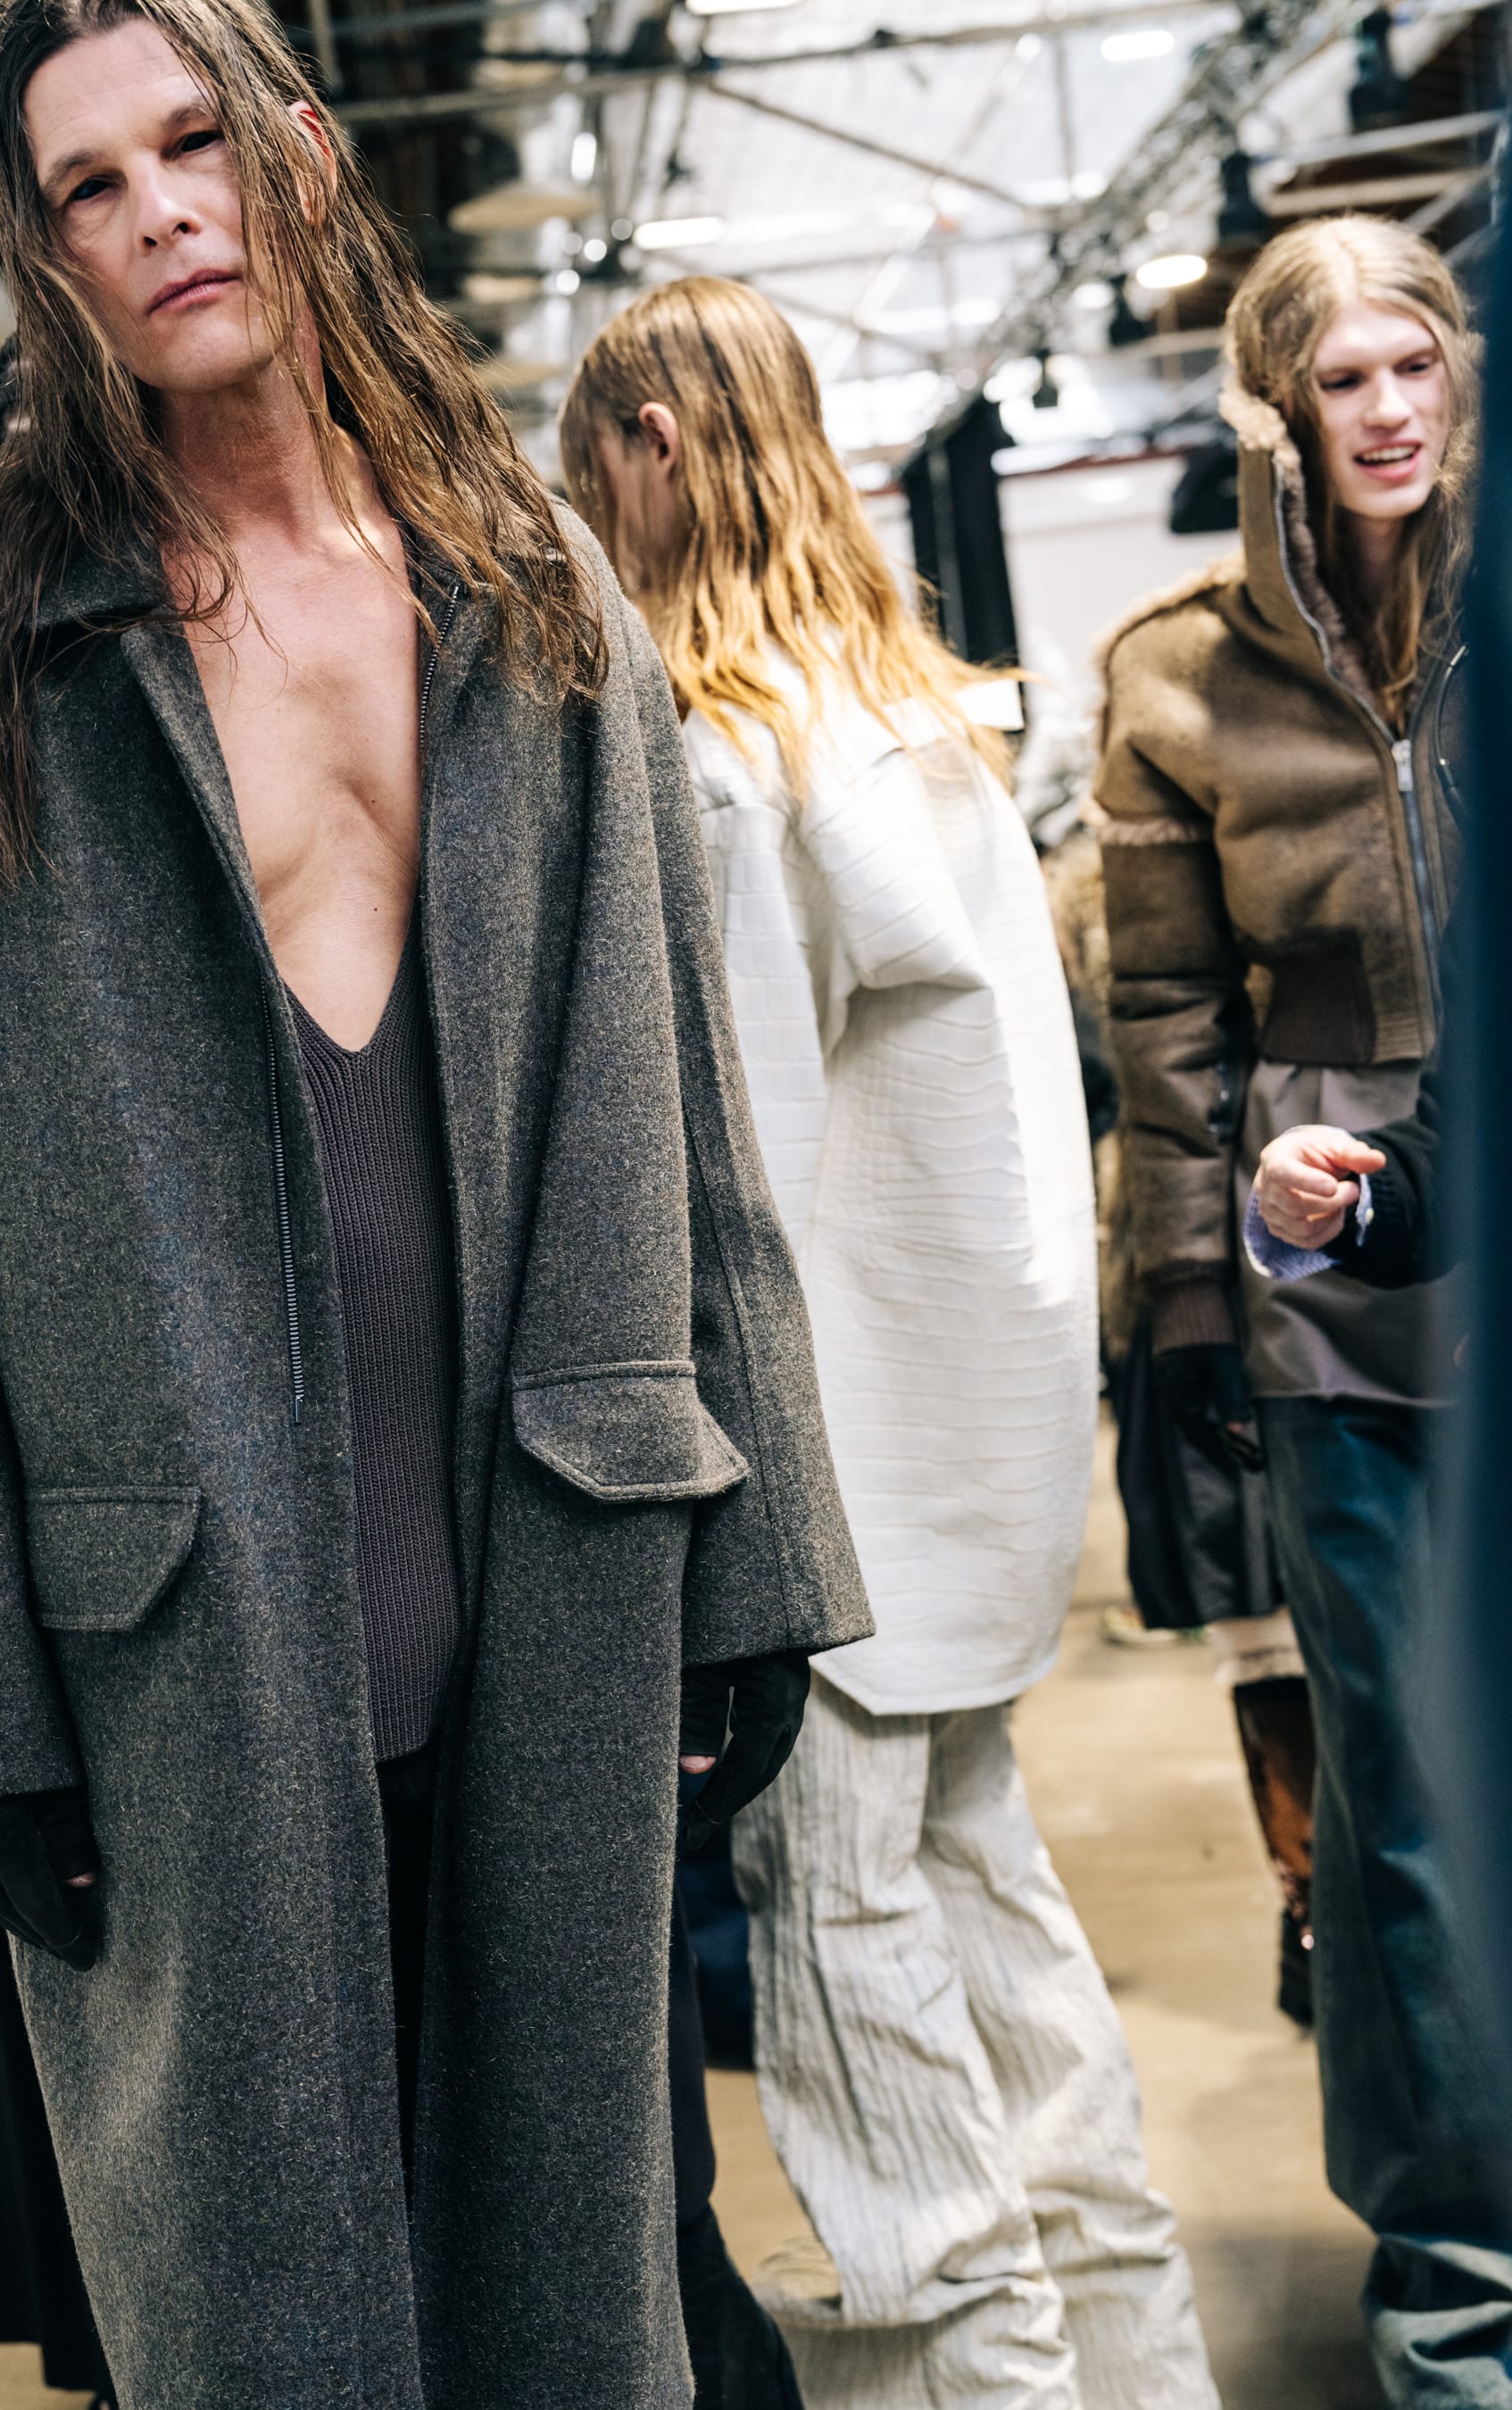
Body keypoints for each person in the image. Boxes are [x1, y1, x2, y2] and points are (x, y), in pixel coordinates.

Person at [0, 6, 869, 2404]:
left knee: (567, 2299)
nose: (156, 209)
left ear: (296, 153)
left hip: (552, 1579)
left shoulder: (534, 599)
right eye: (84, 184)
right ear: (43, 251)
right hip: (173, 1640)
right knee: (255, 2327)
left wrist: (763, 1537)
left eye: (191, 142)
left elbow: (686, 1117)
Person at [562, 276, 1217, 2410]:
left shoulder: (723, 756)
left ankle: (992, 2384)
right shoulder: (923, 723)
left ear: (656, 447)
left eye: (597, 457)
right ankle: (1134, 2359)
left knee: (855, 1981)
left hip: (827, 1482)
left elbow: (721, 1172)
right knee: (1003, 1935)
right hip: (981, 1453)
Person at [1096, 214, 1512, 2404]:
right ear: (1277, 406)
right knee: (1417, 1804)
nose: (1388, 408)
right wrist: (1194, 1275)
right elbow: (1161, 1001)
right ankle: (1458, 2296)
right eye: (1341, 377)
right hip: (1333, 1272)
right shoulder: (1178, 673)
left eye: (1414, 361)